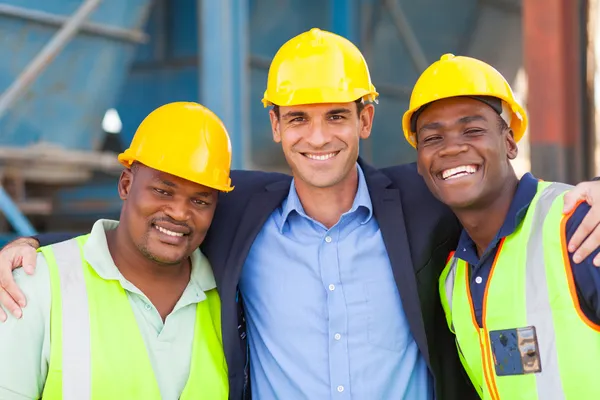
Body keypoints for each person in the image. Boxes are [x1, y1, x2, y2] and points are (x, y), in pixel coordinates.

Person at [2, 29, 600, 400]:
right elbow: (157, 216)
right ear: (275, 127)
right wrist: (27, 249)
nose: (318, 138)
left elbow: (500, 199)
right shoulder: (239, 210)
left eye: (336, 116)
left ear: (365, 120)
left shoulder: (422, 199)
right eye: (298, 118)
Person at [0, 102, 231, 399]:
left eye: (200, 201)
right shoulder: (34, 285)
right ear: (125, 184)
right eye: (163, 191)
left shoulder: (229, 298)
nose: (179, 213)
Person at [404, 53, 600, 399]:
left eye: (472, 130)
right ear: (420, 164)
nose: (453, 148)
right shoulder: (453, 282)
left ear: (510, 142)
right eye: (433, 138)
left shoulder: (576, 225)